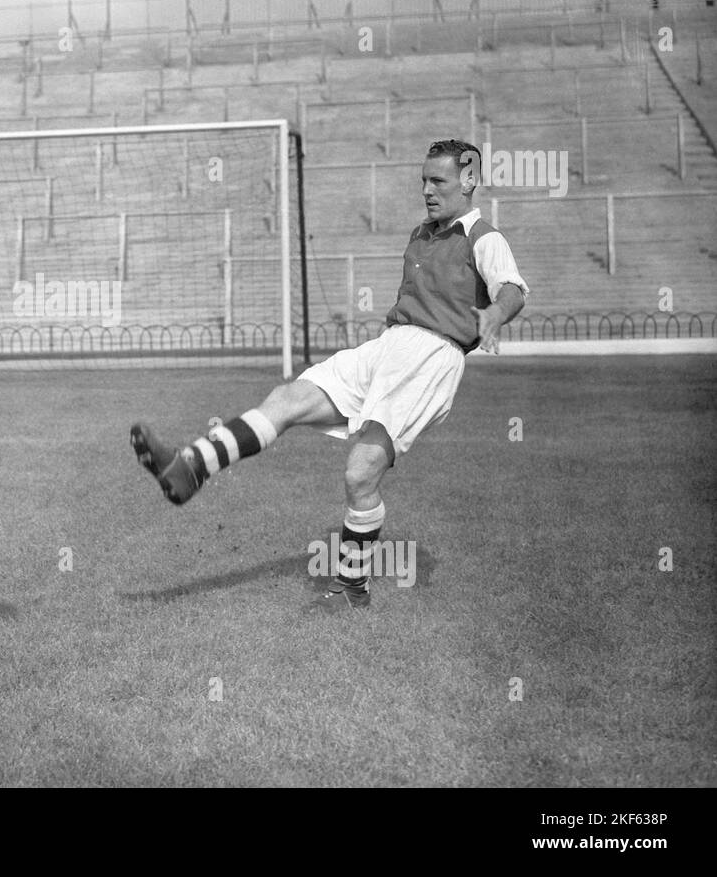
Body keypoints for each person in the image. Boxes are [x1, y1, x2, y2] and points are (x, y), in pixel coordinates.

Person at [131, 139, 530, 610]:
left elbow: (512, 290)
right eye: (423, 180)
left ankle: (351, 587)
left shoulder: (484, 237)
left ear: (469, 181)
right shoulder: (421, 233)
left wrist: (494, 316)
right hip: (388, 347)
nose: (426, 189)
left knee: (360, 472)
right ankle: (191, 467)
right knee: (287, 397)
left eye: (437, 181)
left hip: (430, 357)